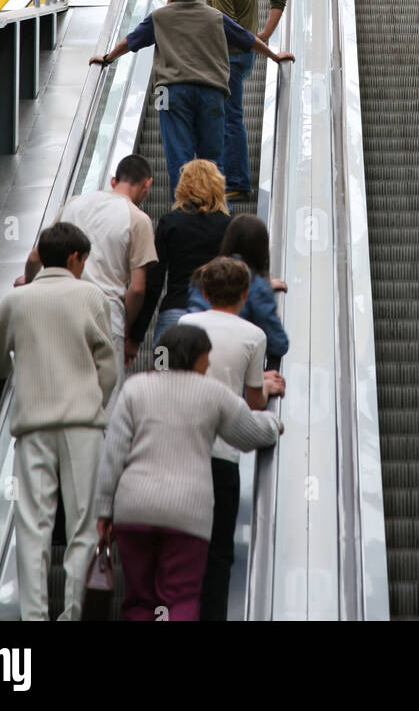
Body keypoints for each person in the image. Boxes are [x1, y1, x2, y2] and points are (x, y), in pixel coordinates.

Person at [95, 323, 281, 622]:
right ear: (196, 357)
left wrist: (104, 510)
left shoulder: (135, 388)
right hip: (186, 513)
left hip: (134, 510)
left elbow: (113, 454)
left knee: (139, 600)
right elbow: (249, 434)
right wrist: (273, 424)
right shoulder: (212, 393)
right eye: (206, 357)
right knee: (178, 598)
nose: (208, 364)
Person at [0, 223, 117, 622]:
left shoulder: (14, 301)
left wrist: (12, 361)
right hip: (82, 425)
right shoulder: (91, 296)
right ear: (75, 258)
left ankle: (34, 616)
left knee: (33, 525)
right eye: (84, 260)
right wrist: (96, 398)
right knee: (82, 525)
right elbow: (106, 364)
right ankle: (73, 613)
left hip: (32, 426)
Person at [89, 0, 294, 200]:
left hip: (171, 91)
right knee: (212, 158)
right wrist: (275, 56)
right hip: (212, 91)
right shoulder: (215, 16)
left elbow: (131, 42)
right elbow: (248, 40)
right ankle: (215, 210)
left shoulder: (159, 17)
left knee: (179, 153)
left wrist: (107, 58)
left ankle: (185, 209)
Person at [179, 258, 285, 622]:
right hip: (223, 455)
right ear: (244, 295)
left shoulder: (185, 323)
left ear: (204, 292)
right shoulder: (253, 335)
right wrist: (267, 388)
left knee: (181, 546)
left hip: (181, 452)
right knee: (219, 549)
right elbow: (254, 402)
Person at [21, 155, 156, 415]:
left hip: (58, 309)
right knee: (105, 405)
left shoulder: (75, 203)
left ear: (113, 180)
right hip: (106, 316)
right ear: (147, 184)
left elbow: (35, 256)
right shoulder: (138, 219)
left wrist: (29, 282)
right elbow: (138, 288)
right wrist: (126, 330)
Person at [196, 0, 289, 198]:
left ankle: (236, 180)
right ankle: (232, 177)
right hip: (242, 55)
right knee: (228, 116)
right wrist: (263, 35)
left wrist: (260, 41)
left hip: (228, 57)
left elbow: (226, 24)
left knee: (228, 118)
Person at [128, 159, 231, 351]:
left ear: (183, 186)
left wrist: (136, 335)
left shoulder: (170, 223)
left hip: (172, 320)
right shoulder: (229, 226)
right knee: (207, 378)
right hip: (214, 319)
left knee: (161, 371)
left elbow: (154, 282)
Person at [186, 213, 289, 367]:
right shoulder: (256, 287)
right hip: (235, 377)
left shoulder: (203, 275)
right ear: (244, 294)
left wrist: (164, 372)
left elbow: (163, 352)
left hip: (196, 374)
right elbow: (278, 343)